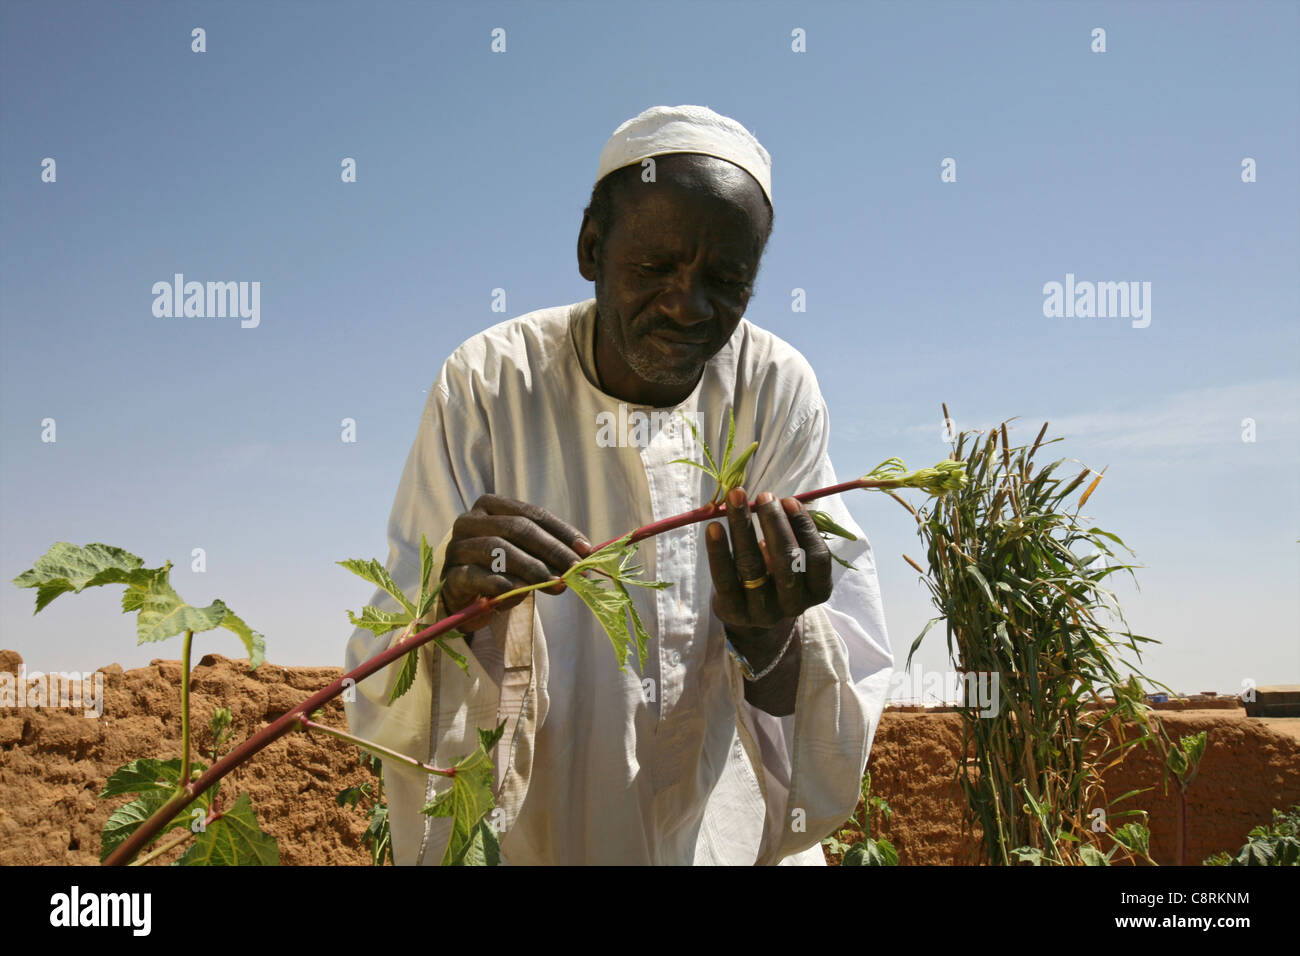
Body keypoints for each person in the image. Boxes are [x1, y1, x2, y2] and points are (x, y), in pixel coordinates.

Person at [343, 105, 894, 865]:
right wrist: (456, 608)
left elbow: (844, 677)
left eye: (726, 280)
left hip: (713, 842)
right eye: (654, 268)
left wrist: (770, 638)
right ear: (591, 247)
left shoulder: (774, 390)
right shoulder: (489, 383)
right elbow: (384, 676)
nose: (686, 304)